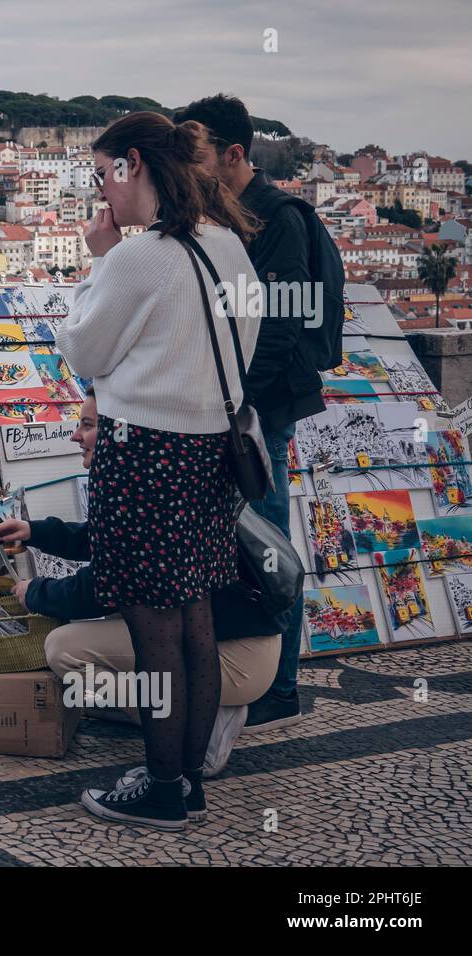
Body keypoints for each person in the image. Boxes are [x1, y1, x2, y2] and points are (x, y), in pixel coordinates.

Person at [50, 111, 262, 830]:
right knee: (194, 618)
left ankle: (163, 785)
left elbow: (82, 351)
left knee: (154, 634)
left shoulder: (141, 258)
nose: (101, 193)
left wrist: (100, 258)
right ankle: (188, 776)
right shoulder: (229, 245)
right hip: (212, 454)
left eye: (102, 175)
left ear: (132, 164)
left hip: (147, 455)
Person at [0, 390, 282, 786]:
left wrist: (34, 592)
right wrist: (36, 531)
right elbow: (106, 542)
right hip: (246, 643)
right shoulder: (172, 474)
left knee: (63, 650)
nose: (76, 436)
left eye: (89, 426)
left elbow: (97, 587)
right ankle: (189, 722)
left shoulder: (140, 483)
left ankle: (201, 722)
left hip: (239, 659)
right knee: (136, 625)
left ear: (119, 433)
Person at [173, 94, 327, 734]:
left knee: (266, 546)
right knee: (237, 547)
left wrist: (236, 413)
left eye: (199, 154)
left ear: (234, 155)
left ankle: (281, 686)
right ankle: (245, 678)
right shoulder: (221, 215)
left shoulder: (277, 219)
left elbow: (277, 332)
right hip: (226, 412)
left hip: (257, 414)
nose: (188, 166)